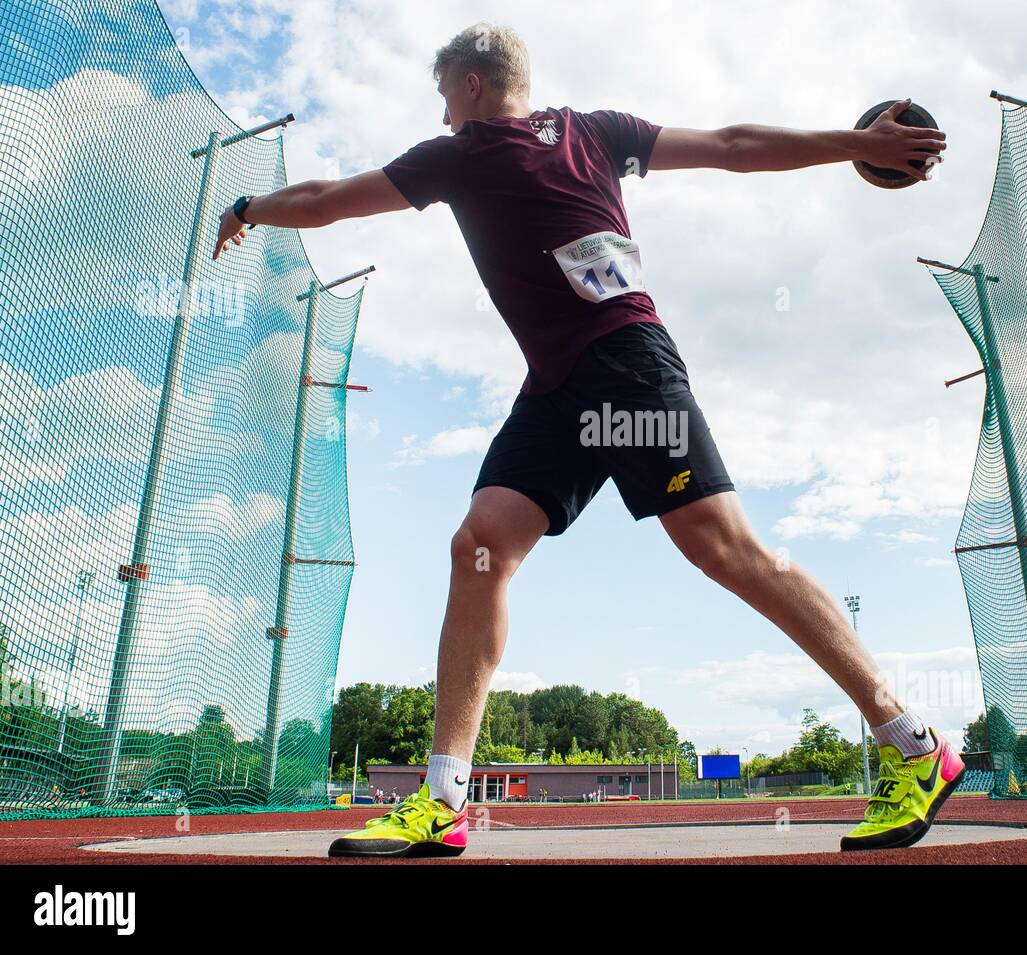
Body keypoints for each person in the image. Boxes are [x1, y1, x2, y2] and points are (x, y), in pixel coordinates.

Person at [213, 23, 961, 858]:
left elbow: (324, 200)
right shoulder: (589, 131)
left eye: (441, 92)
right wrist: (853, 141)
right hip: (559, 386)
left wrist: (249, 207)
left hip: (626, 363)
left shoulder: (469, 152)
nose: (442, 107)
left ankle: (914, 744)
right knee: (481, 544)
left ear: (466, 83)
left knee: (727, 551)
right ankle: (443, 800)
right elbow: (733, 145)